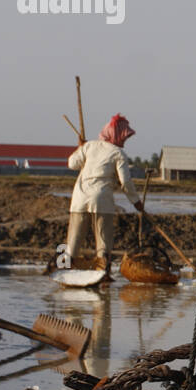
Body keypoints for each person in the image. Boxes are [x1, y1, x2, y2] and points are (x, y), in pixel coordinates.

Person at [63, 113, 143, 277]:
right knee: (103, 242)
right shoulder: (118, 154)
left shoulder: (89, 146)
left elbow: (72, 163)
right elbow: (125, 182)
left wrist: (81, 149)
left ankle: (65, 272)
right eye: (124, 137)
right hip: (102, 200)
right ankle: (102, 274)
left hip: (80, 198)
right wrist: (136, 202)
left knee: (73, 240)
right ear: (117, 135)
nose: (125, 141)